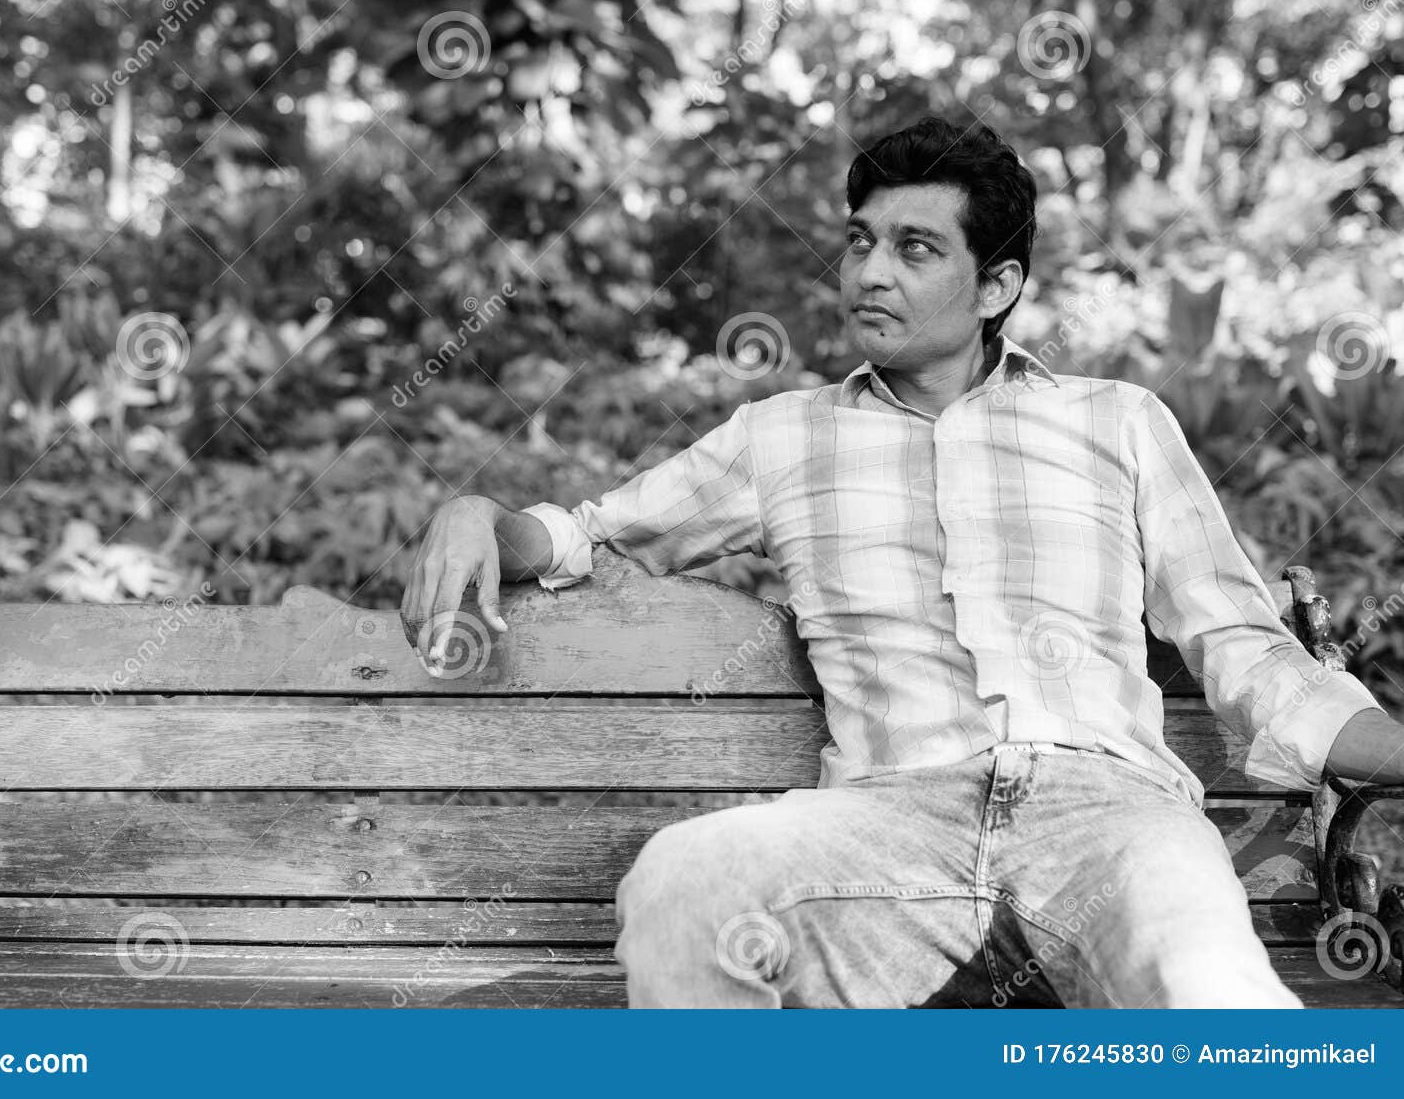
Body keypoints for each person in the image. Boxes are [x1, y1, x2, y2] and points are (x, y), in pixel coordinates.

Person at [399, 115, 1404, 1008]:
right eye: (859, 242)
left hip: (1110, 819)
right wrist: (479, 514)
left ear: (997, 286)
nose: (868, 273)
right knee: (684, 883)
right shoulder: (781, 437)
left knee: (1211, 998)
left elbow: (1243, 646)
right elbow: (593, 532)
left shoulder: (1119, 423)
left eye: (914, 248)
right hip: (886, 823)